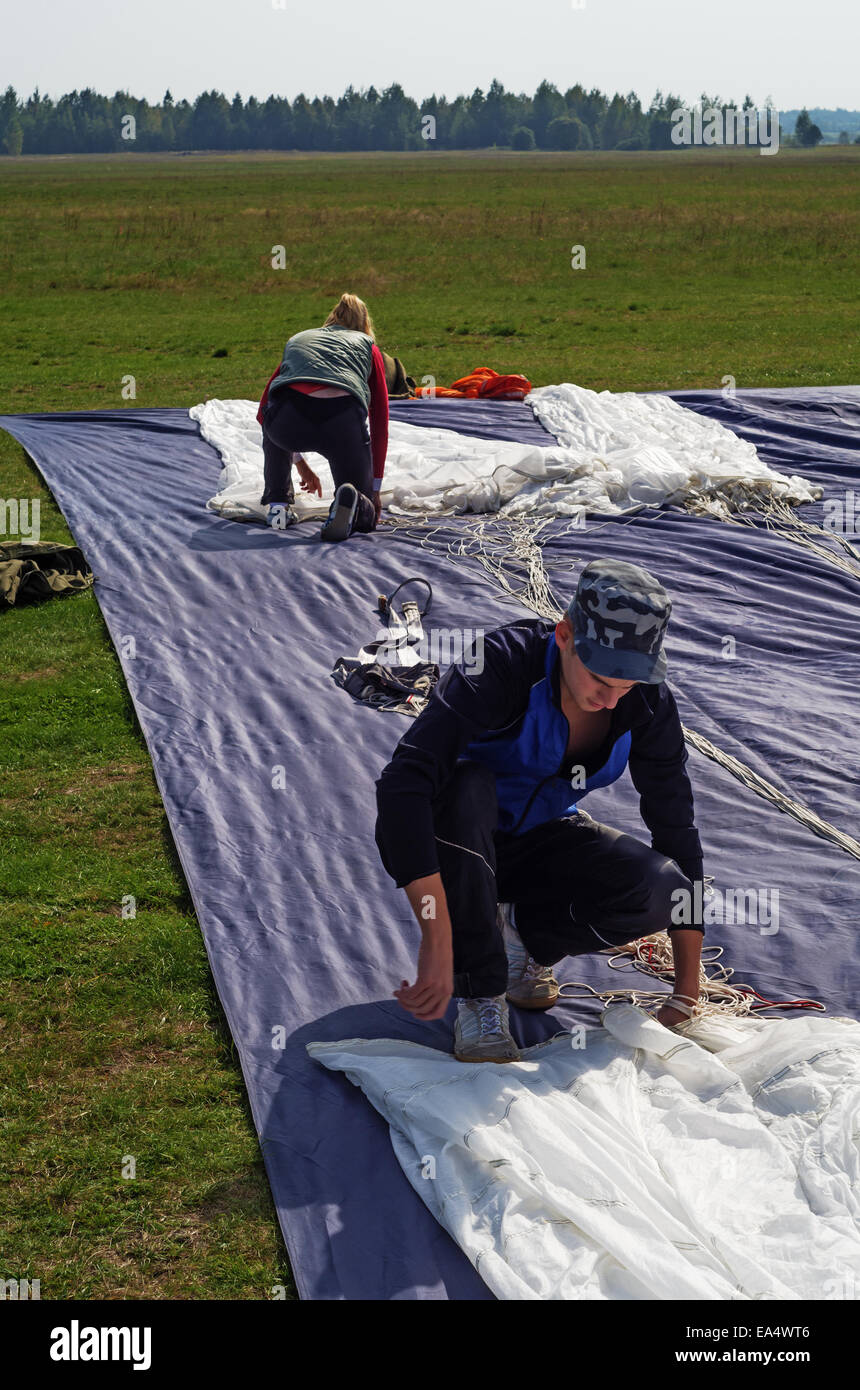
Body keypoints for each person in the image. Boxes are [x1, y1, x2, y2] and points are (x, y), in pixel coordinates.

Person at [374, 559, 706, 1063]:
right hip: (461, 842)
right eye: (601, 678)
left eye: (629, 685)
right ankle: (480, 993)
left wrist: (686, 992)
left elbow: (676, 826)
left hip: (542, 836)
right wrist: (436, 937)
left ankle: (524, 938)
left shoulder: (647, 704)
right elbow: (404, 783)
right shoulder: (502, 663)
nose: (612, 700)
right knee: (467, 786)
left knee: (663, 887)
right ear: (565, 635)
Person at [256, 293, 389, 542]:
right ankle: (354, 501)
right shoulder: (367, 346)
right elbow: (379, 420)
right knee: (364, 514)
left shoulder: (300, 339)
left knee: (272, 415)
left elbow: (264, 406)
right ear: (364, 325)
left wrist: (298, 462)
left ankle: (278, 507)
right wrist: (374, 489)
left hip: (289, 422)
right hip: (341, 426)